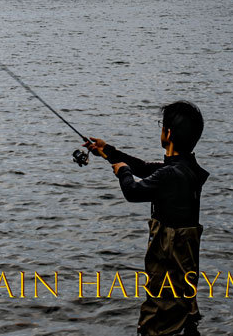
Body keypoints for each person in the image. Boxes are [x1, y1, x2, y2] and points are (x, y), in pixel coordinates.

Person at [84, 101, 209, 336]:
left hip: (169, 258)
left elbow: (133, 191)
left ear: (168, 134)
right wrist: (108, 152)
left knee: (158, 317)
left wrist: (123, 171)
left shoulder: (170, 174)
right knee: (182, 309)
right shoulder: (186, 169)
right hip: (183, 262)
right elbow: (143, 167)